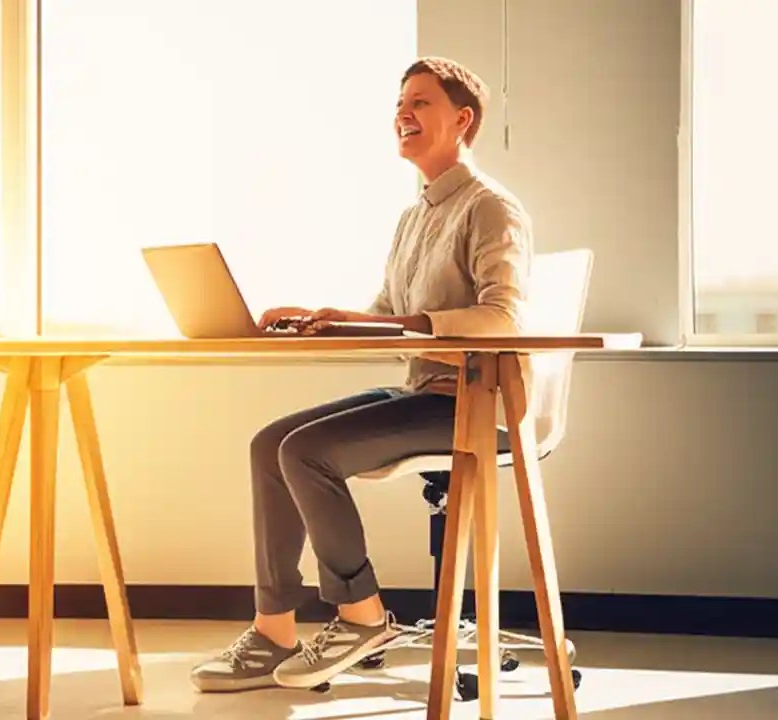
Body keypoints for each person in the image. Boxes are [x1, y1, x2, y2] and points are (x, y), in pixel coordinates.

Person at [189, 56, 533, 693]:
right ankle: (273, 631)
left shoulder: (491, 209)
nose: (403, 112)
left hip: (473, 401)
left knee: (308, 452)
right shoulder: (415, 215)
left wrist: (403, 324)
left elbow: (502, 315)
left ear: (462, 119)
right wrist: (322, 317)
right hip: (420, 390)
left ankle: (362, 616)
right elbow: (389, 315)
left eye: (421, 102)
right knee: (271, 445)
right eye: (400, 102)